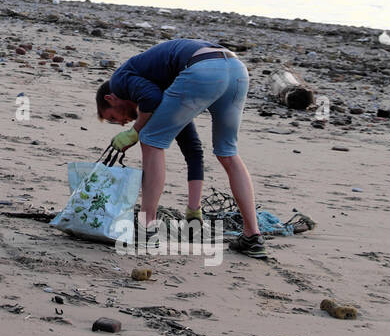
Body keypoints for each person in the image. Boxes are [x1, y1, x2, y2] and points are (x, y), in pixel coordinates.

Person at [96, 38, 265, 259]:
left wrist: (135, 132)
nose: (120, 124)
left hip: (203, 69)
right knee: (228, 153)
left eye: (112, 118)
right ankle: (253, 236)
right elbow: (192, 145)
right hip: (236, 70)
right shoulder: (169, 87)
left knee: (150, 140)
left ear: (111, 98)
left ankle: (146, 227)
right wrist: (193, 209)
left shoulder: (118, 81)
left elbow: (152, 99)